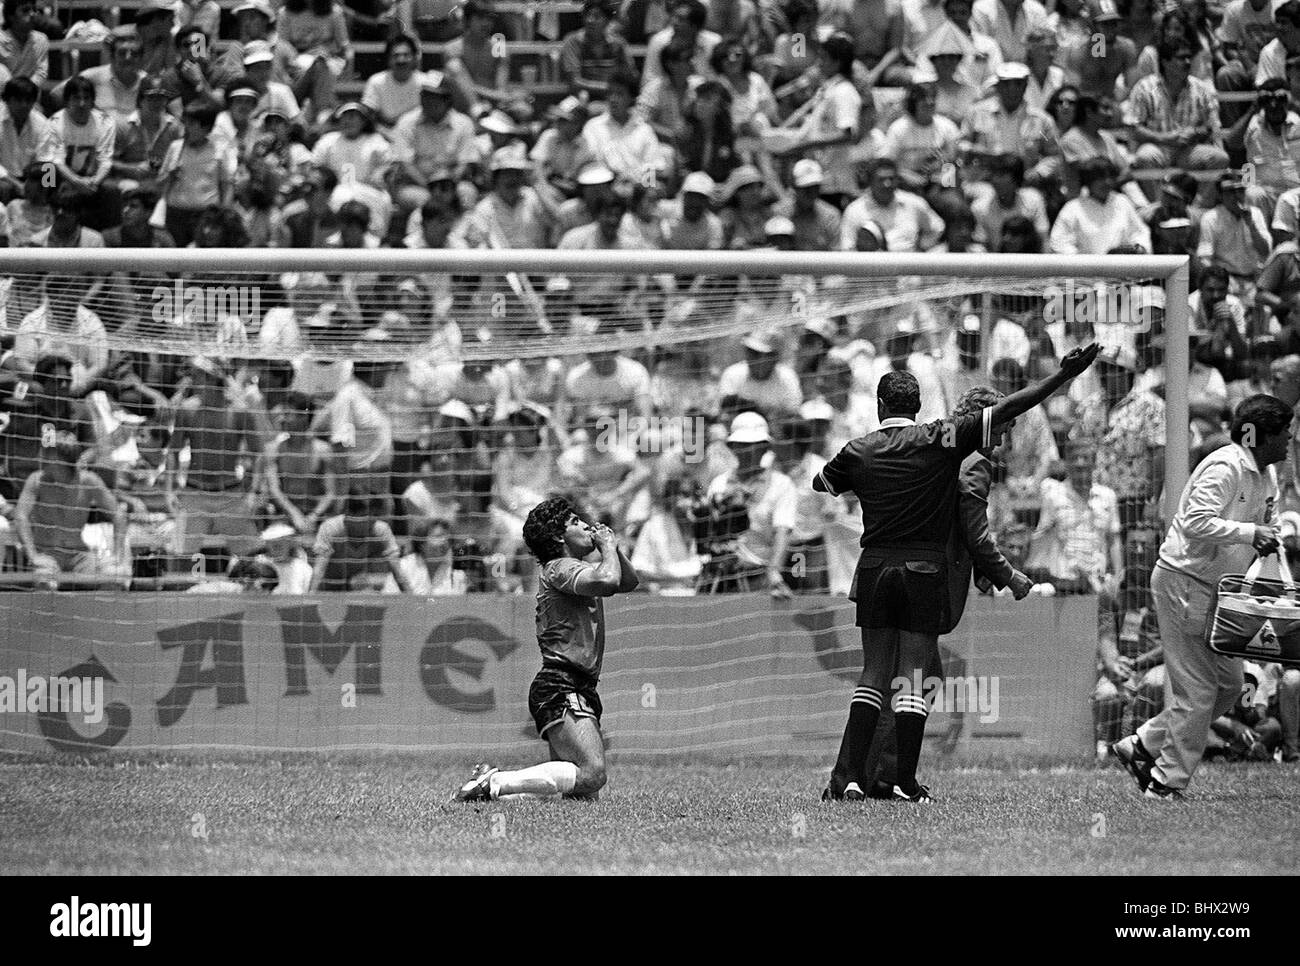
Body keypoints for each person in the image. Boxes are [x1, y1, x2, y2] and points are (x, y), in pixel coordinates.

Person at [813, 342, 1101, 802]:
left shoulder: (859, 449)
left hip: (874, 567)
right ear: (919, 405)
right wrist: (1061, 377)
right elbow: (1013, 404)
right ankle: (901, 780)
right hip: (923, 570)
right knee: (912, 677)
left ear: (880, 405)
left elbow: (822, 483)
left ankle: (848, 777)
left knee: (872, 675)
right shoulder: (942, 438)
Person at [832, 385, 1034, 800]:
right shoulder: (974, 462)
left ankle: (864, 775)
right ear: (985, 422)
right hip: (923, 577)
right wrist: (1008, 576)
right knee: (909, 679)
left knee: (904, 676)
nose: (1004, 438)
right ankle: (877, 776)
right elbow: (975, 534)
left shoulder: (937, 449)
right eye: (1004, 426)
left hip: (886, 569)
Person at [1113, 394, 1293, 800]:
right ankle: (1165, 782)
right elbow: (1194, 521)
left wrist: (1273, 534)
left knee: (1230, 686)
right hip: (1185, 583)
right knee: (1197, 692)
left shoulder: (1267, 475)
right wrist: (1250, 534)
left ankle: (1143, 743)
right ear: (1258, 435)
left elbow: (1270, 521)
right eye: (1284, 433)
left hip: (1222, 592)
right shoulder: (1224, 466)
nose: (1289, 439)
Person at [454, 497, 639, 802]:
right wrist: (607, 547)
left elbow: (628, 582)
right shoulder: (560, 568)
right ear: (558, 537)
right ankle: (496, 782)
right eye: (575, 522)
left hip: (575, 684)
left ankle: (488, 793)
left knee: (580, 794)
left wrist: (614, 548)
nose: (586, 525)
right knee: (593, 773)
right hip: (561, 684)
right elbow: (609, 580)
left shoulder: (574, 568)